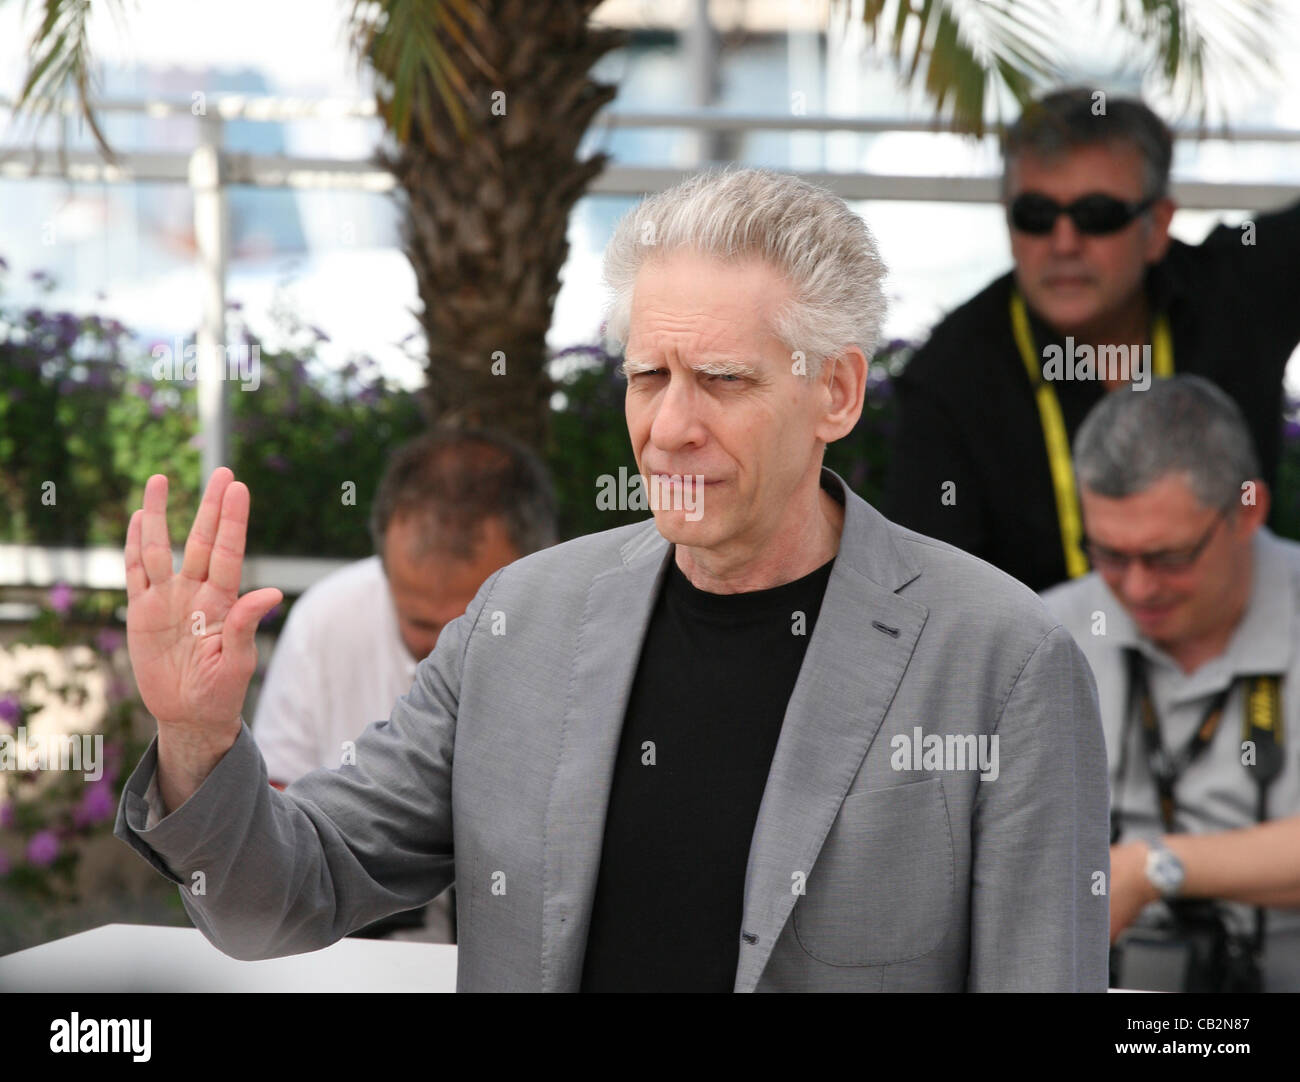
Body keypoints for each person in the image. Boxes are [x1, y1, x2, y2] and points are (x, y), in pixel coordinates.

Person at [114, 166, 1109, 992]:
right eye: (647, 375)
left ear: (836, 391)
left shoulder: (1004, 658)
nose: (670, 426)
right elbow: (284, 894)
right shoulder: (522, 618)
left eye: (722, 378)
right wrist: (198, 737)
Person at [885, 86, 1300, 592]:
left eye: (1097, 215)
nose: (1063, 243)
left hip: (1241, 659)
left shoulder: (1233, 293)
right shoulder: (950, 376)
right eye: (1035, 215)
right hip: (1047, 667)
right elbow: (932, 600)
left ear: (1157, 226)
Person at [1041, 375, 1300, 991]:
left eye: (1169, 558)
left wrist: (1151, 870)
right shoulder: (1043, 629)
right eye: (1106, 554)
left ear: (1247, 509)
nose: (1136, 589)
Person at [251, 427, 557, 942]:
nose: (444, 651)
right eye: (419, 623)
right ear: (385, 570)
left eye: (469, 621)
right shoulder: (326, 619)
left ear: (537, 570)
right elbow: (275, 815)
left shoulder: (591, 635)